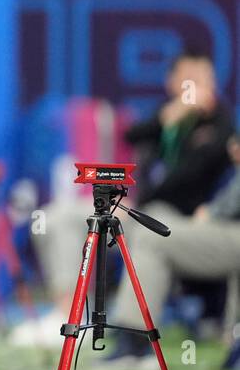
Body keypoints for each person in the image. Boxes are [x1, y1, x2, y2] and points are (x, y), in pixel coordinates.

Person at [19, 51, 235, 346]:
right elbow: (132, 137)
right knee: (57, 217)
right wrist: (166, 120)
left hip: (175, 220)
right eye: (188, 79)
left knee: (147, 233)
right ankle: (69, 312)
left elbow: (187, 180)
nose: (195, 87)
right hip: (140, 210)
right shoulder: (167, 116)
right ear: (172, 83)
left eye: (202, 79)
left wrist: (133, 208)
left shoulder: (221, 126)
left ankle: (131, 339)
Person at [97, 134, 240, 367]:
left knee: (152, 238)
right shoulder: (185, 126)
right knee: (152, 215)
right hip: (211, 220)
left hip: (229, 229)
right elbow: (137, 133)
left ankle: (136, 340)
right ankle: (129, 329)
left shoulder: (217, 126)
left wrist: (212, 213)